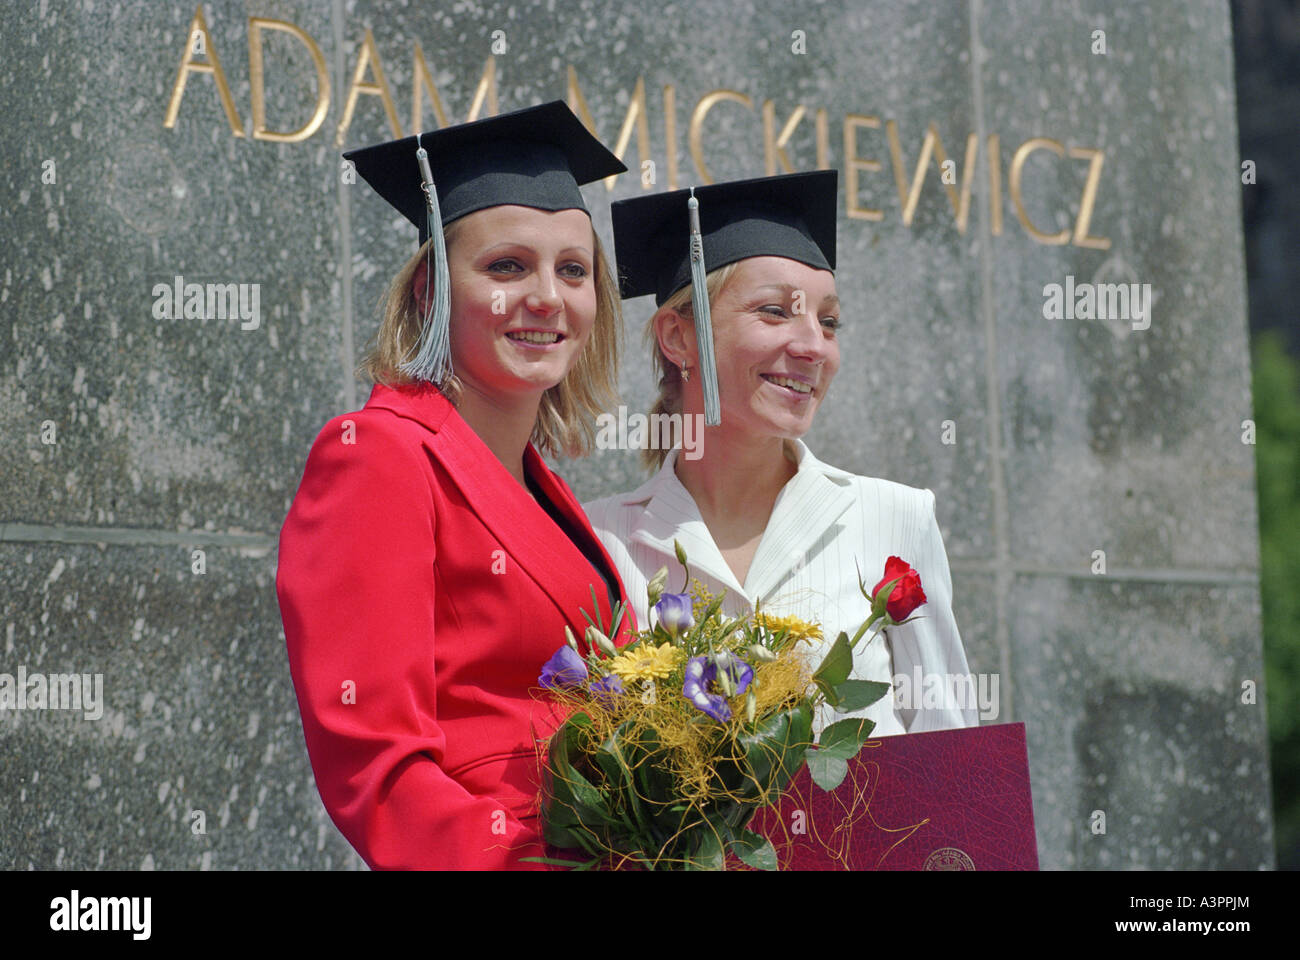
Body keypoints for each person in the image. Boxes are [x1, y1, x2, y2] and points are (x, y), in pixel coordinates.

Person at [276, 102, 637, 870]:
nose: (546, 295)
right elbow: (378, 769)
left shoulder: (544, 485)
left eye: (573, 270)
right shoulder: (376, 454)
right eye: (507, 266)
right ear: (429, 293)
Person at [582, 171, 976, 737]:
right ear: (678, 337)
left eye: (829, 321)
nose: (814, 346)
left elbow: (953, 758)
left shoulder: (895, 519)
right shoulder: (599, 541)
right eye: (774, 311)